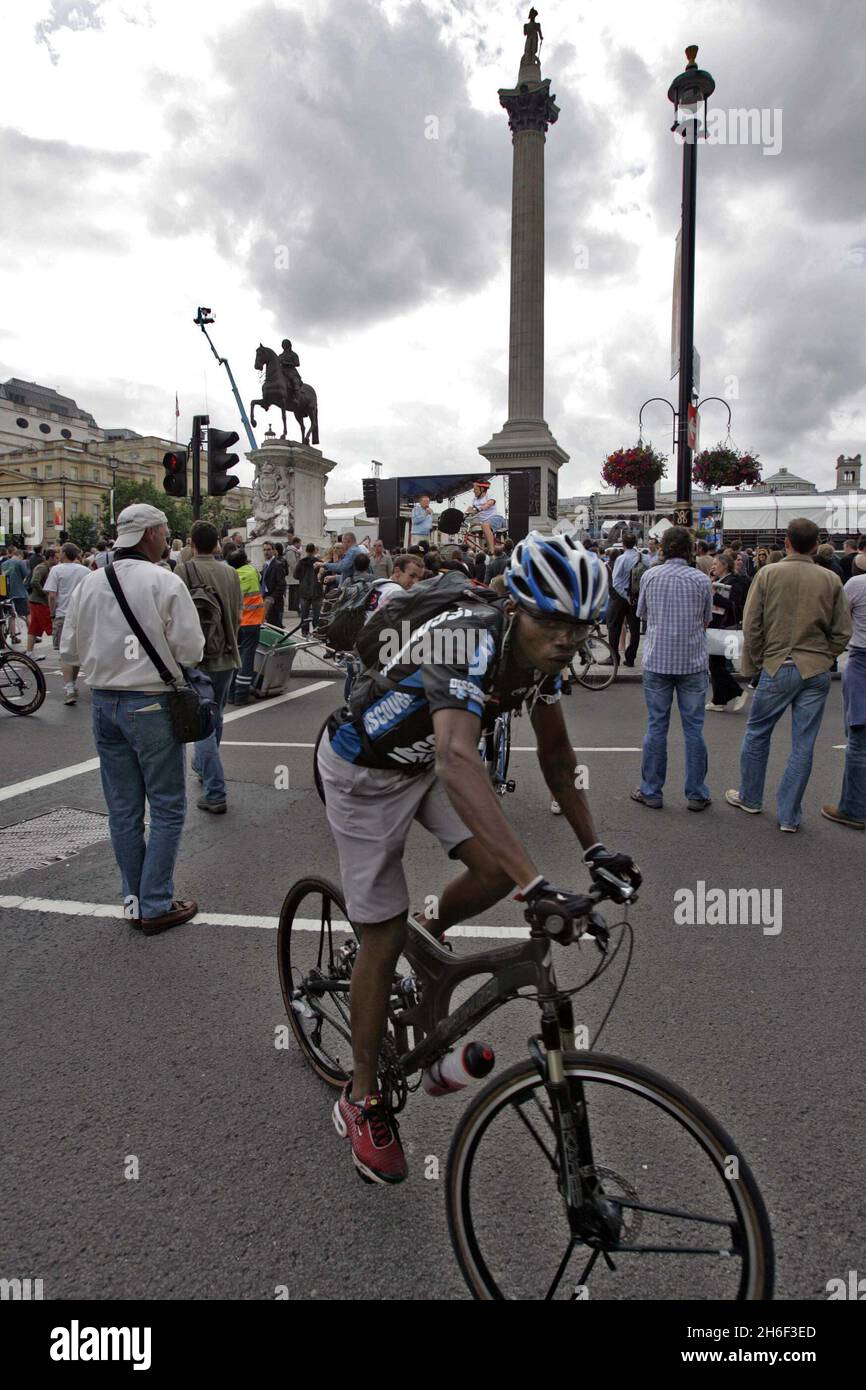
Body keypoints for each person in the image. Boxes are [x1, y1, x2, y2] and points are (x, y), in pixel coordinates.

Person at [318, 531, 639, 1184]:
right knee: (380, 935)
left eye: (580, 626)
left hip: (420, 768)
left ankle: (426, 937)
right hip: (365, 769)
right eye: (551, 621)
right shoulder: (469, 634)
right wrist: (536, 884)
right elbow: (458, 757)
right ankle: (360, 1098)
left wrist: (595, 847)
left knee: (490, 871)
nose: (565, 640)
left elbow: (556, 758)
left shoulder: (546, 661)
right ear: (516, 607)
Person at [59, 504, 204, 934]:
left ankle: (134, 901)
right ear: (150, 535)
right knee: (167, 807)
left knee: (123, 810)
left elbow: (68, 650)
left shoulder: (89, 583)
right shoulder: (164, 581)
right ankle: (155, 903)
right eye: (164, 531)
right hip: (151, 703)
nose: (167, 537)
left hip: (104, 702)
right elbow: (191, 650)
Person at [726, 518, 852, 832]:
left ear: (787, 542)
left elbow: (751, 623)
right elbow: (842, 631)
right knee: (803, 744)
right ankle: (789, 815)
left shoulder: (769, 573)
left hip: (778, 663)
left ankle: (751, 797)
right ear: (816, 545)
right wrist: (826, 656)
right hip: (815, 667)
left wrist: (755, 663)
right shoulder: (830, 579)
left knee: (758, 733)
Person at [631, 526, 713, 812]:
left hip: (658, 660)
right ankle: (696, 792)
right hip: (692, 662)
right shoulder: (702, 580)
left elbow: (642, 614)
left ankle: (651, 790)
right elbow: (706, 620)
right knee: (694, 729)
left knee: (656, 726)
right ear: (690, 550)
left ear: (663, 549)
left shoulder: (651, 576)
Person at [175, 520, 242, 814]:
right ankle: (204, 767)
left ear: (191, 543)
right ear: (217, 543)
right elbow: (238, 615)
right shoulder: (230, 573)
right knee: (215, 718)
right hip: (227, 656)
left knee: (202, 726)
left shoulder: (183, 571)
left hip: (198, 659)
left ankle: (215, 790)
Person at [822, 551, 866, 830]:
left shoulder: (857, 584)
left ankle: (853, 808)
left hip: (862, 660)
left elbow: (838, 621)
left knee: (859, 740)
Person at [44, 542, 89, 703]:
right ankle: (72, 684)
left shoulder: (56, 570)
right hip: (82, 616)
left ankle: (69, 687)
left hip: (63, 614)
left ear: (64, 554)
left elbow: (51, 595)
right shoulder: (86, 571)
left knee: (64, 653)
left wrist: (52, 613)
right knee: (75, 652)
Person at [705, 552, 748, 712]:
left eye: (716, 564)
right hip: (716, 625)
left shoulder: (733, 582)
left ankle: (738, 692)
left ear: (724, 565)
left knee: (716, 664)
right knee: (716, 663)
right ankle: (718, 700)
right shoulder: (719, 580)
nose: (713, 566)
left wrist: (714, 596)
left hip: (725, 627)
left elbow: (734, 605)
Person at [226, 549, 265, 703]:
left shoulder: (230, 575)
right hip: (252, 622)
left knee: (235, 658)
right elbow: (260, 577)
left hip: (235, 623)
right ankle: (241, 694)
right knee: (247, 659)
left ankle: (231, 694)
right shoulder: (252, 571)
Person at [607, 533, 643, 668]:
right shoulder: (643, 558)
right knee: (634, 629)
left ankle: (614, 656)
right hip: (636, 596)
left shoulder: (621, 559)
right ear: (635, 543)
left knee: (614, 627)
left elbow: (616, 582)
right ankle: (630, 658)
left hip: (620, 598)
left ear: (623, 543)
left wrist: (625, 596)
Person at [26, 546, 57, 657]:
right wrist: (45, 593)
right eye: (56, 558)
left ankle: (29, 653)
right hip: (40, 602)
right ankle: (66, 653)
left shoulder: (45, 567)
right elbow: (34, 581)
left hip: (36, 601)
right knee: (53, 626)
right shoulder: (43, 568)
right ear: (51, 557)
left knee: (34, 628)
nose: (57, 560)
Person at [466, 480, 505, 554]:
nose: (473, 491)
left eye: (475, 489)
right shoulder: (474, 500)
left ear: (482, 489)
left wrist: (478, 509)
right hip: (485, 522)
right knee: (469, 532)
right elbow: (469, 509)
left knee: (484, 525)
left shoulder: (490, 495)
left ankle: (492, 552)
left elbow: (488, 504)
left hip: (497, 518)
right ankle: (480, 550)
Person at [1, 545, 29, 643]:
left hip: (7, 593)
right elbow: (26, 576)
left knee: (11, 615)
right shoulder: (20, 562)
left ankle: (13, 636)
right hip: (20, 592)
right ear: (20, 556)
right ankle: (32, 635)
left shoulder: (3, 564)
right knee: (27, 614)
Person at [295, 543, 323, 635]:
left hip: (304, 590)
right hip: (317, 590)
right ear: (314, 550)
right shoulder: (319, 562)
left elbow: (296, 575)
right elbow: (323, 575)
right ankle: (316, 630)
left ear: (306, 550)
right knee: (316, 614)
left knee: (304, 613)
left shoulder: (301, 562)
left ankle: (304, 631)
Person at [261, 541, 287, 627]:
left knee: (276, 628)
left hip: (274, 603)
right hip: (265, 599)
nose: (266, 552)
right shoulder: (265, 565)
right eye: (264, 550)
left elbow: (282, 585)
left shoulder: (278, 565)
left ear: (273, 551)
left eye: (268, 549)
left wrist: (272, 598)